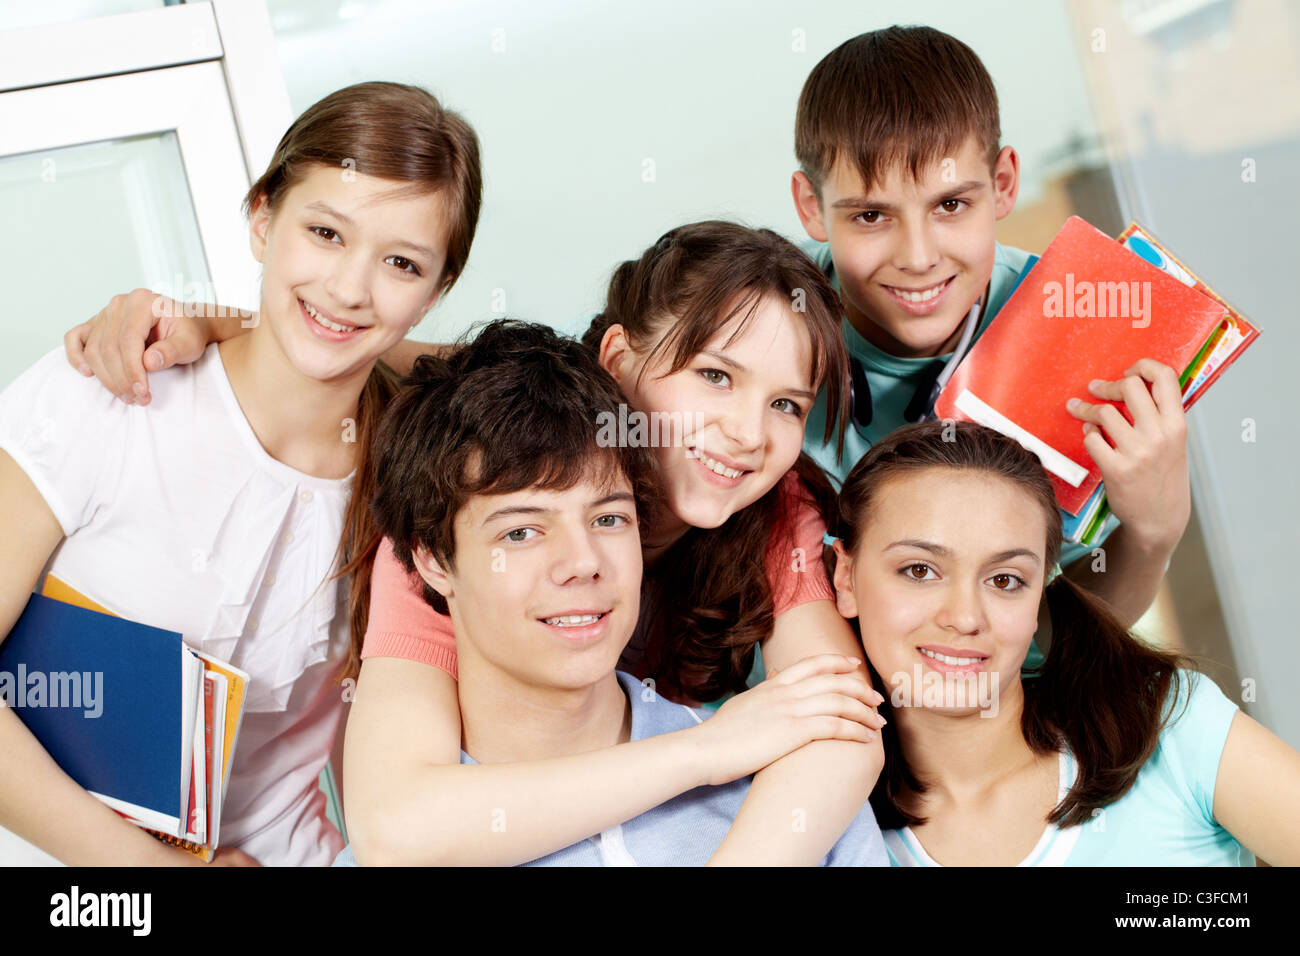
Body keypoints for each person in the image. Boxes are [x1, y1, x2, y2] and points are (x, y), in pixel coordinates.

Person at [62, 221, 887, 866]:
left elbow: (841, 731)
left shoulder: (772, 508)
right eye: (715, 376)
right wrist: (221, 328)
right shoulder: (461, 518)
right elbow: (397, 828)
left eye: (788, 403)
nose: (748, 431)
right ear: (616, 362)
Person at [0, 80, 482, 866]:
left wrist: (235, 318)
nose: (349, 287)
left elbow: (545, 373)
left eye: (400, 262)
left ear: (437, 293)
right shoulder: (109, 389)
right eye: (324, 232)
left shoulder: (419, 471)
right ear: (262, 217)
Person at [332, 319, 887, 866]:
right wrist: (705, 752)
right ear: (430, 561)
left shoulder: (798, 800)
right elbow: (393, 831)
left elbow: (843, 723)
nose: (582, 564)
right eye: (521, 532)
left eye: (609, 520)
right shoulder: (411, 828)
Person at [790, 26, 1190, 632]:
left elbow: (1055, 645)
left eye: (951, 205)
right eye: (871, 215)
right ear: (812, 207)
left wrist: (1155, 531)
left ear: (1003, 185)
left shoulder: (1085, 330)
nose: (919, 256)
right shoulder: (758, 331)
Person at [828, 420, 1300, 866]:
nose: (965, 618)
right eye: (919, 571)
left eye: (1006, 580)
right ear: (845, 577)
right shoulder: (822, 824)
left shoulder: (1169, 726)